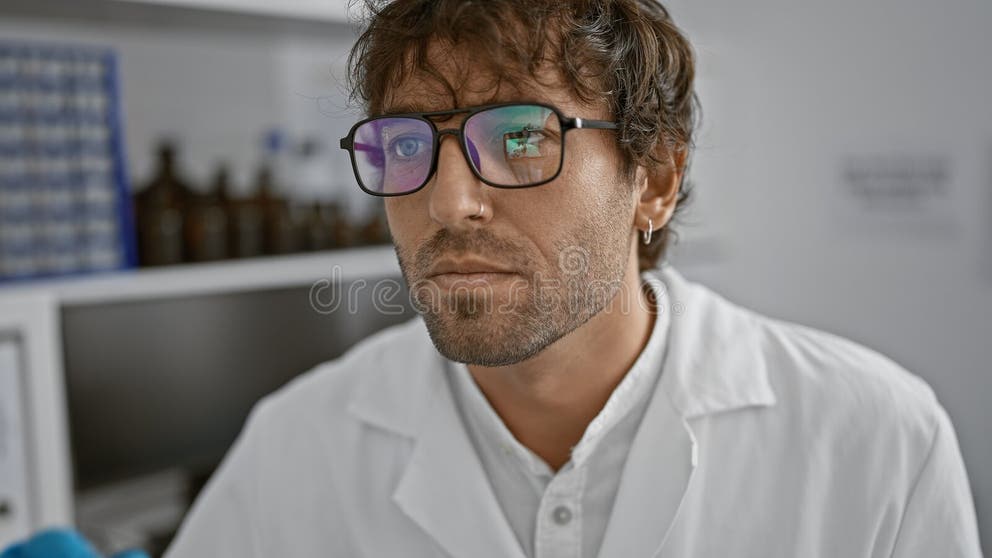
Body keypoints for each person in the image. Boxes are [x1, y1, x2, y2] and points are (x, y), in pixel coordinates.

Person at [3, 1, 982, 557]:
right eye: (404, 145)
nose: (447, 202)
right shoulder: (295, 448)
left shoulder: (873, 443)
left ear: (654, 177)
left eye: (519, 138)